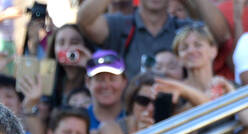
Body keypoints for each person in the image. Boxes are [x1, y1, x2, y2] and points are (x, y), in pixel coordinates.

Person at [77, 0, 222, 78]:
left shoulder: (184, 30)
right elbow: (85, 22)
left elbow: (220, 34)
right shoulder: (120, 25)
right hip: (134, 114)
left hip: (178, 114)